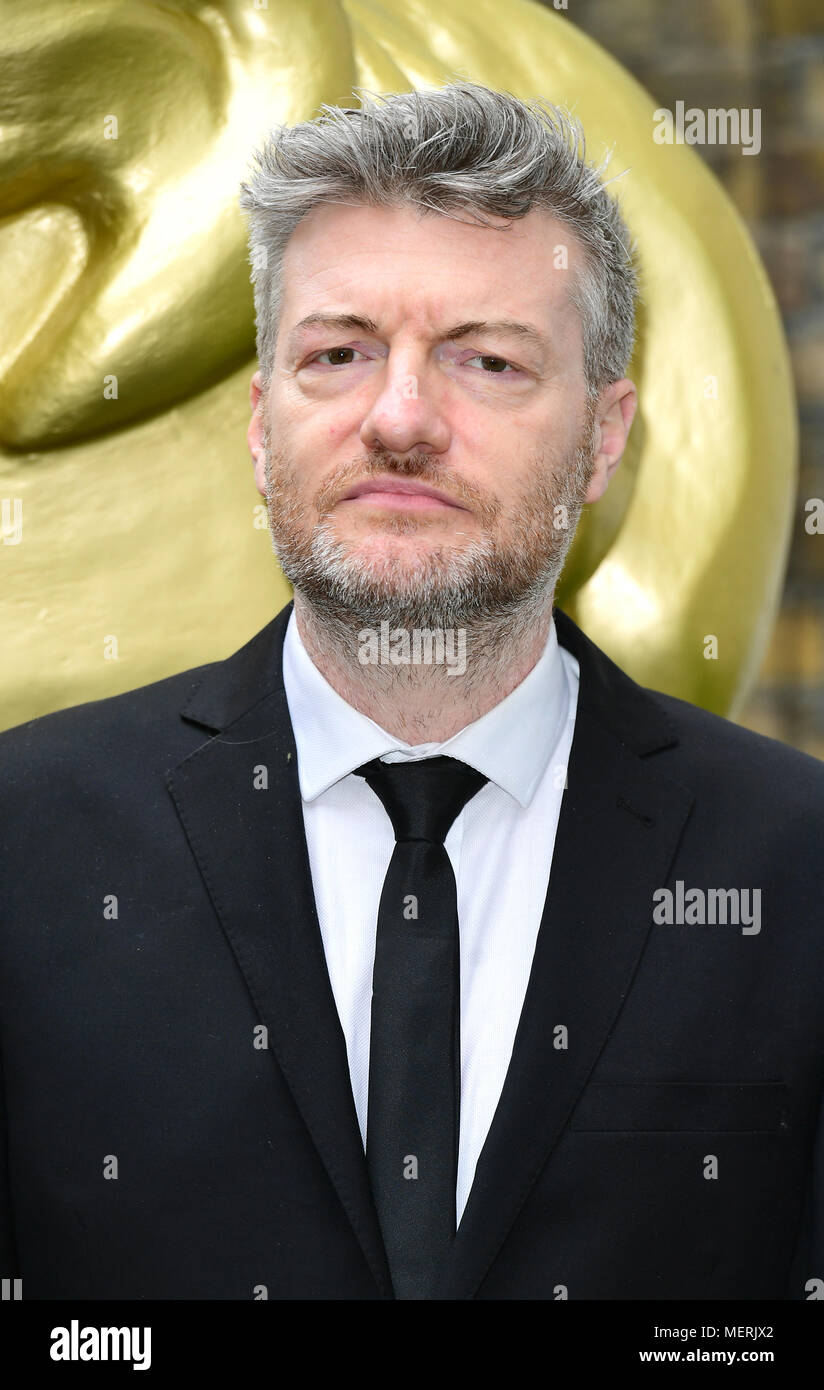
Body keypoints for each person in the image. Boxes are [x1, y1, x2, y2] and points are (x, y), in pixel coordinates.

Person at [1, 82, 822, 1302]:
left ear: (603, 439)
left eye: (485, 361)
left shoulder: (793, 865)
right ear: (259, 421)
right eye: (337, 354)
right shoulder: (26, 840)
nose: (398, 419)